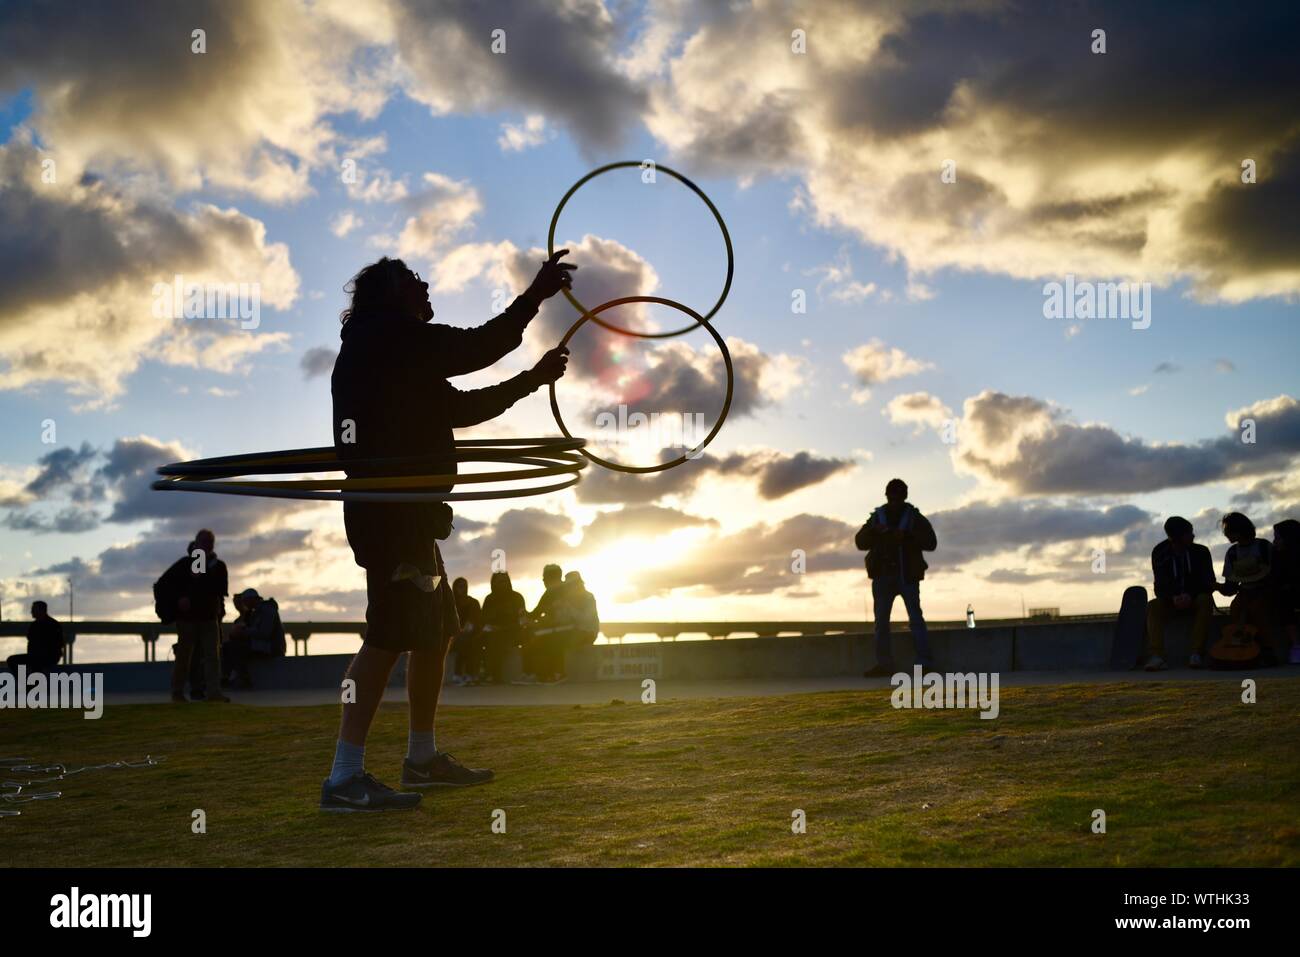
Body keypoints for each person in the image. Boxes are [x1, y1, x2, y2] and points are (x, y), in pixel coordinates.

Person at [320, 251, 574, 812]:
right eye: (414, 280)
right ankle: (343, 777)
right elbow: (480, 347)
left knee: (437, 633)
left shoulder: (396, 353)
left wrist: (533, 379)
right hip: (390, 510)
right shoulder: (388, 338)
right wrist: (534, 296)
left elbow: (460, 409)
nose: (427, 283)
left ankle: (422, 758)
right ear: (392, 296)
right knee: (388, 633)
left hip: (412, 513)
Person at [855, 478, 938, 676]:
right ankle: (886, 665)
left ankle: (923, 664)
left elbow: (931, 542)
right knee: (882, 623)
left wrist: (908, 536)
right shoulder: (877, 518)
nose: (894, 502)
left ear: (904, 497)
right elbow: (860, 541)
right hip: (884, 577)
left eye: (897, 498)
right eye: (892, 498)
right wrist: (875, 532)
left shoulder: (914, 518)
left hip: (906, 576)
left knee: (915, 620)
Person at [1144, 516, 1218, 671]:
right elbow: (1160, 585)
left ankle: (1196, 653)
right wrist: (1173, 598)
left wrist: (1190, 595)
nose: (1193, 536)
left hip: (1196, 599)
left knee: (1205, 600)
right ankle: (1157, 656)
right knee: (1153, 606)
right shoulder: (1160, 552)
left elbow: (1208, 581)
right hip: (1171, 602)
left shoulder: (1201, 552)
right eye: (1188, 533)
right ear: (1177, 536)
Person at [171, 529, 230, 703]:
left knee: (212, 656)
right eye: (204, 541)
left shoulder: (218, 566)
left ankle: (213, 692)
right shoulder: (190, 563)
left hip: (209, 617)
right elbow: (188, 586)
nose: (207, 545)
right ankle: (178, 692)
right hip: (189, 618)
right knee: (185, 656)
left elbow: (219, 592)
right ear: (196, 543)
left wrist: (219, 613)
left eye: (210, 542)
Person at [1218, 512, 1277, 664]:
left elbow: (1276, 574)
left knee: (1257, 608)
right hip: (1244, 592)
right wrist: (1216, 587)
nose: (1225, 534)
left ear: (1238, 531)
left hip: (1267, 591)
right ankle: (1241, 651)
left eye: (1228, 530)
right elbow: (1230, 586)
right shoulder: (1232, 553)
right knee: (1236, 607)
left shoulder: (1264, 547)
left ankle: (1268, 650)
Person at [221, 588, 285, 688]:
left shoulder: (268, 611)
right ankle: (225, 676)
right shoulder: (255, 612)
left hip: (272, 648)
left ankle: (243, 678)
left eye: (245, 602)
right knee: (227, 646)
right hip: (262, 645)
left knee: (235, 648)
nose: (244, 605)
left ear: (252, 600)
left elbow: (265, 633)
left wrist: (245, 631)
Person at [522, 563, 573, 684]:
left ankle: (553, 674)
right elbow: (536, 613)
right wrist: (525, 614)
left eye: (544, 577)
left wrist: (528, 618)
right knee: (534, 638)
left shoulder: (561, 592)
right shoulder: (551, 593)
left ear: (551, 578)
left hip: (565, 629)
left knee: (541, 641)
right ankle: (539, 674)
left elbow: (536, 614)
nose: (543, 580)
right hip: (557, 628)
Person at [481, 571, 528, 685]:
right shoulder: (489, 599)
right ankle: (480, 673)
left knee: (498, 640)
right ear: (494, 583)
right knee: (478, 640)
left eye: (505, 581)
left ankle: (495, 676)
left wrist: (503, 628)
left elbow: (522, 620)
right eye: (499, 581)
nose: (503, 584)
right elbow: (483, 619)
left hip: (513, 631)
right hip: (492, 632)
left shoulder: (517, 597)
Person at [5, 601, 64, 676]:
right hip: (38, 657)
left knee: (14, 660)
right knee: (13, 660)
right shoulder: (36, 625)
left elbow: (58, 644)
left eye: (34, 609)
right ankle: (28, 682)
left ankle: (28, 683)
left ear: (41, 610)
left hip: (47, 657)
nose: (31, 612)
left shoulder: (52, 625)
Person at [1272, 519, 1300, 664]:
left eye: (1277, 538)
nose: (1275, 542)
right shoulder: (1277, 556)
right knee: (1283, 600)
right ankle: (1296, 645)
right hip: (1287, 595)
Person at [449, 577, 483, 685]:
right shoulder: (451, 604)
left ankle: (463, 674)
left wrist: (466, 630)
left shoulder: (473, 603)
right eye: (460, 586)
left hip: (469, 635)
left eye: (464, 586)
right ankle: (462, 674)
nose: (462, 589)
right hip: (453, 637)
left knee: (469, 642)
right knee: (466, 642)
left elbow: (475, 620)